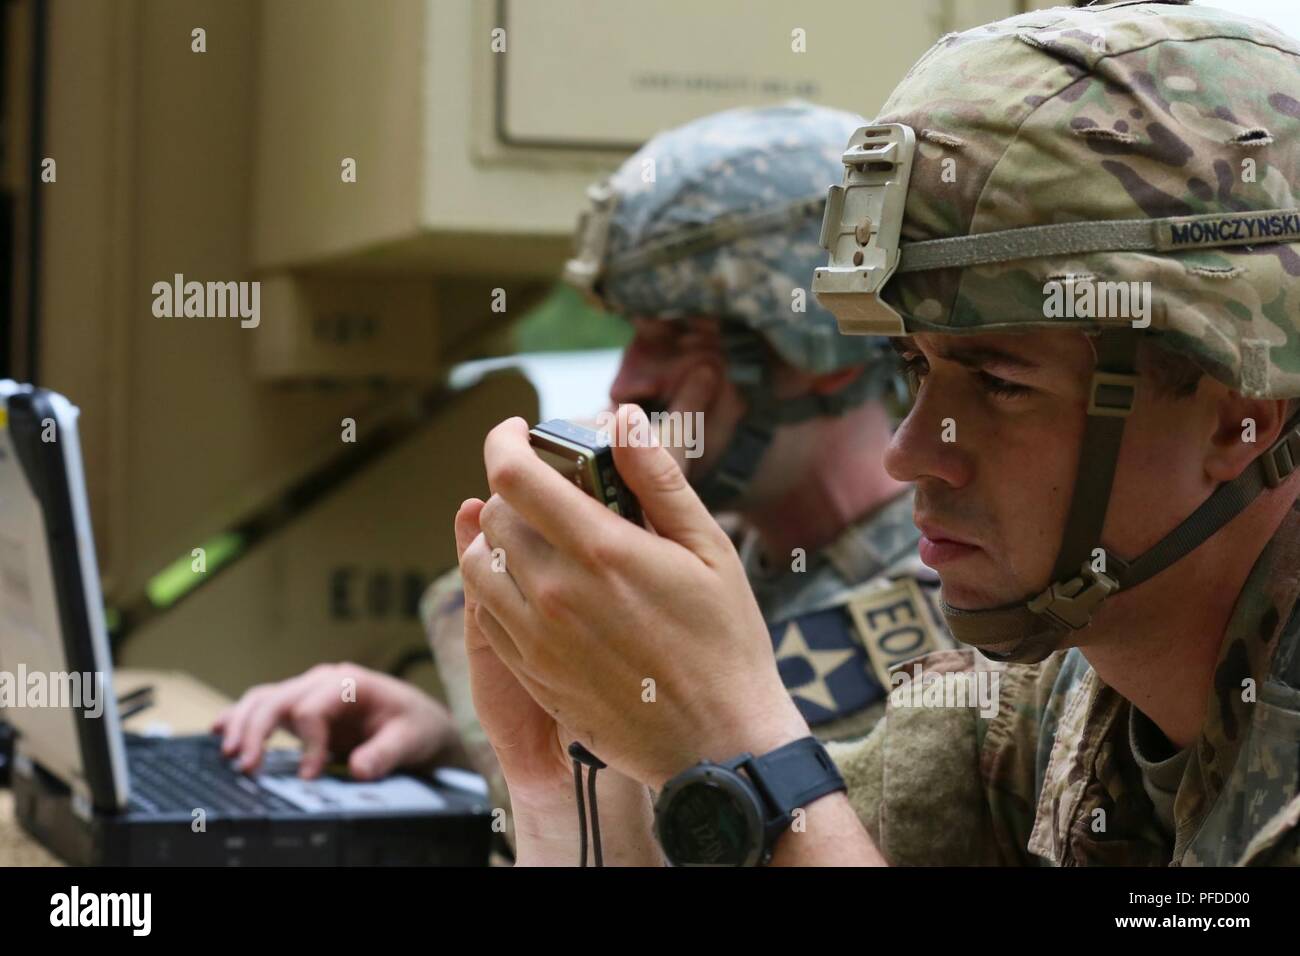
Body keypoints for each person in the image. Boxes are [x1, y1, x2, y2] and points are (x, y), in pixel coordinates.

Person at [456, 0, 1300, 866]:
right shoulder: (1041, 706)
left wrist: (731, 735)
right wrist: (569, 775)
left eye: (1002, 384)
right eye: (915, 369)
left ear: (1239, 415)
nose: (910, 451)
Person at [214, 103, 952, 852]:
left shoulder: (942, 622)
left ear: (814, 358)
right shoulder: (724, 562)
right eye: (633, 336)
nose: (629, 377)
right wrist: (444, 740)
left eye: (674, 338)